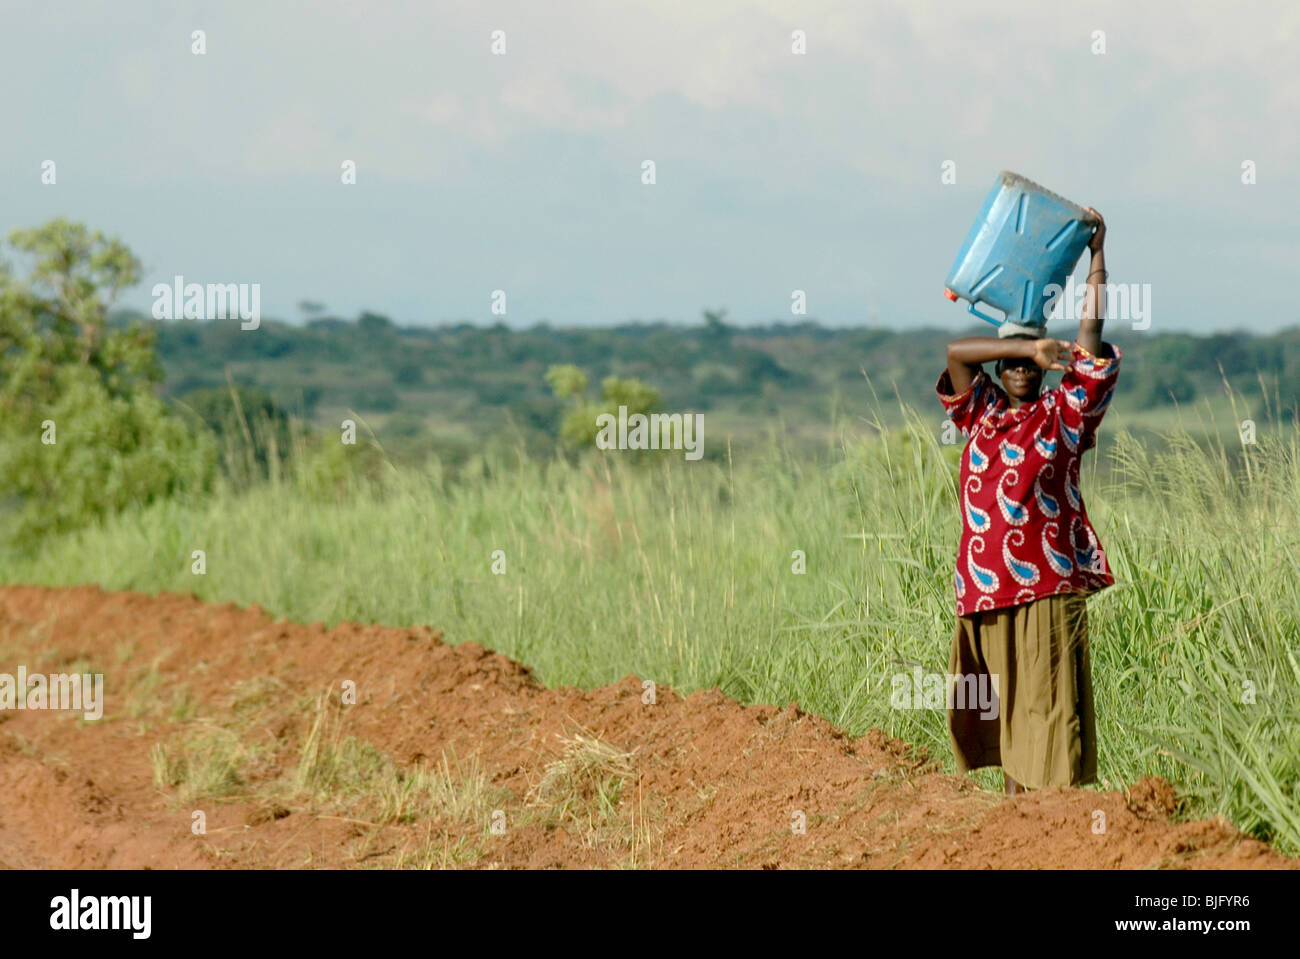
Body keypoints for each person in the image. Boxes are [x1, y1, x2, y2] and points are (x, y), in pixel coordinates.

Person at [936, 208, 1119, 795]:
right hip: (985, 588)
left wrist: (1095, 258)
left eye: (1029, 363)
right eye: (1009, 362)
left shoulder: (1064, 415)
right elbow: (956, 352)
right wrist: (1025, 344)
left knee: (1045, 715)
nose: (1018, 371)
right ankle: (1018, 836)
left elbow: (1089, 345)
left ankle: (1050, 835)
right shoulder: (982, 413)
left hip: (1046, 587)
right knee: (1008, 719)